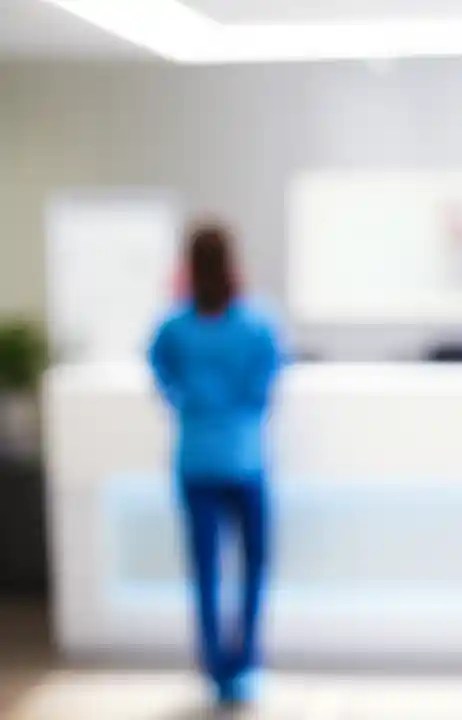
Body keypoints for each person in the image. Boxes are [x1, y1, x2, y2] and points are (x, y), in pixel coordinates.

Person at [147, 222, 283, 707]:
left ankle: (216, 669)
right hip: (245, 462)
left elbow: (162, 376)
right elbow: (266, 387)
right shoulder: (257, 323)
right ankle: (243, 662)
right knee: (253, 566)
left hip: (197, 462)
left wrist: (194, 400)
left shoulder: (174, 327)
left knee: (205, 570)